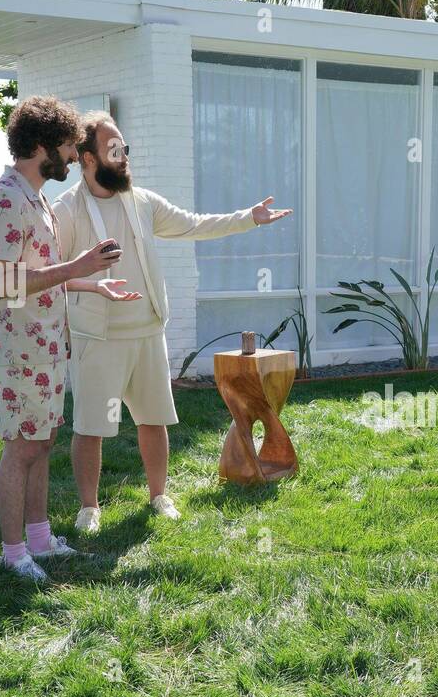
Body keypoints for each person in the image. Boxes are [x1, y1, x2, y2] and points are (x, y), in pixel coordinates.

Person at [52, 111, 292, 533]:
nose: (123, 156)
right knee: (90, 427)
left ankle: (159, 496)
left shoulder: (141, 201)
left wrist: (247, 217)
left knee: (153, 419)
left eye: (125, 148)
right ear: (87, 158)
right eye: (113, 149)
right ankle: (89, 507)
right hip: (98, 337)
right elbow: (54, 274)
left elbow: (193, 225)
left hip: (147, 331)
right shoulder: (66, 211)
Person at [0, 96, 140, 582]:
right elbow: (2, 282)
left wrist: (90, 283)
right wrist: (80, 266)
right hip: (18, 348)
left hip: (44, 344)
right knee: (21, 448)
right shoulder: (5, 201)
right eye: (68, 146)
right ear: (42, 144)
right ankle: (12, 551)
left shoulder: (35, 198)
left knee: (42, 443)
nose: (73, 155)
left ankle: (40, 539)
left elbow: (40, 274)